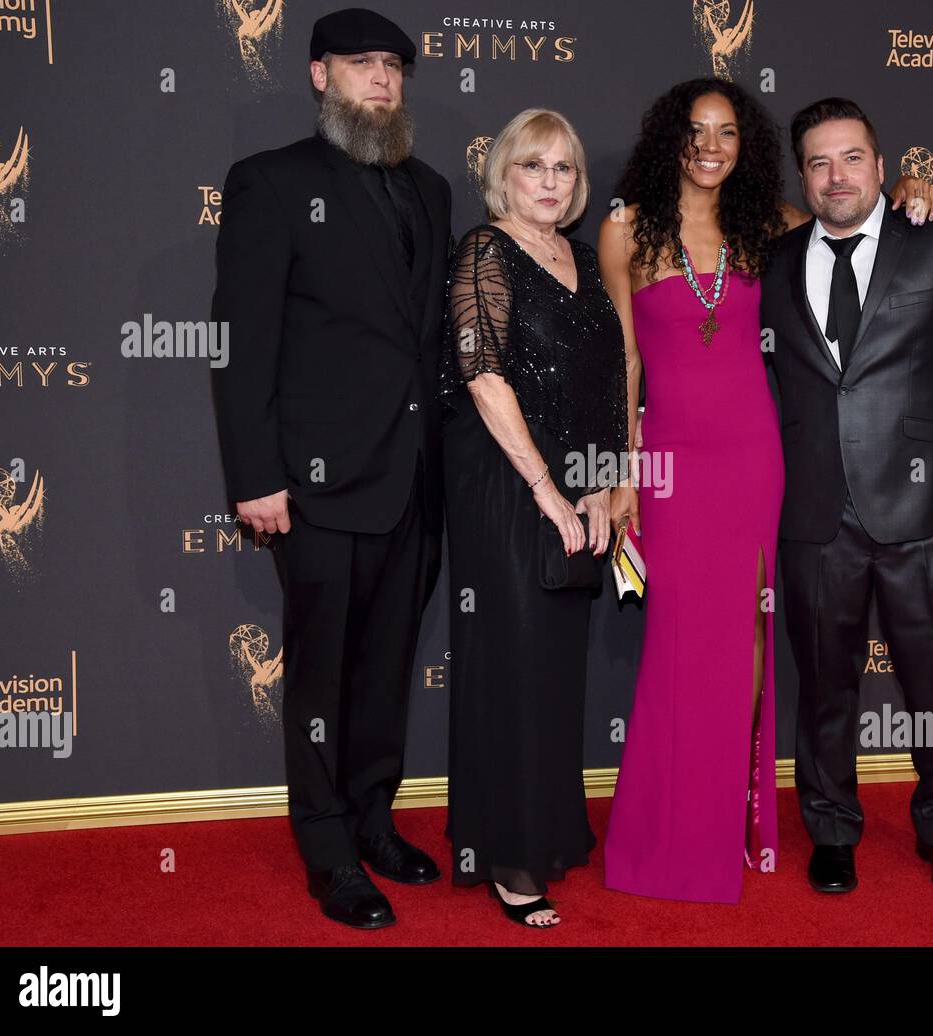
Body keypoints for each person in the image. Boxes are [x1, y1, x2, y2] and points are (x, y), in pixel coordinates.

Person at [599, 78, 933, 904]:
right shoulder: (624, 232)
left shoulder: (773, 227)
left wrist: (906, 193)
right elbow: (625, 367)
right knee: (678, 641)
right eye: (694, 131)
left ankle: (729, 821)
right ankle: (663, 828)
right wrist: (621, 473)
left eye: (726, 132)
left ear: (744, 144)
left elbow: (853, 221)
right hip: (672, 465)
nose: (710, 146)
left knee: (746, 641)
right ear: (667, 141)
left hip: (756, 461)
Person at [210, 9, 452, 929]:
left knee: (387, 668)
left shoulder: (429, 189)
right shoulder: (270, 183)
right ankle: (326, 852)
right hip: (311, 486)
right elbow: (241, 344)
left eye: (392, 65)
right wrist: (255, 473)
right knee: (322, 677)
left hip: (412, 481)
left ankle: (373, 822)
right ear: (320, 76)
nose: (381, 80)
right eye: (361, 64)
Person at [760, 97, 933, 899]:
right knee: (825, 689)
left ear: (881, 164)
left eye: (851, 158)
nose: (836, 176)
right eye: (818, 162)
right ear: (802, 175)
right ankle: (832, 832)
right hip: (811, 517)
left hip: (925, 513)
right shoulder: (772, 260)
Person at [439, 109, 627, 928]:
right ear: (503, 177)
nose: (550, 182)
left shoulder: (583, 258)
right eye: (533, 167)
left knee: (553, 669)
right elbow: (483, 377)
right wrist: (549, 490)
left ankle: (546, 833)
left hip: (574, 488)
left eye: (563, 168)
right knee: (509, 665)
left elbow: (607, 382)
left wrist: (608, 480)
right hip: (507, 481)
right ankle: (508, 859)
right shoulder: (484, 250)